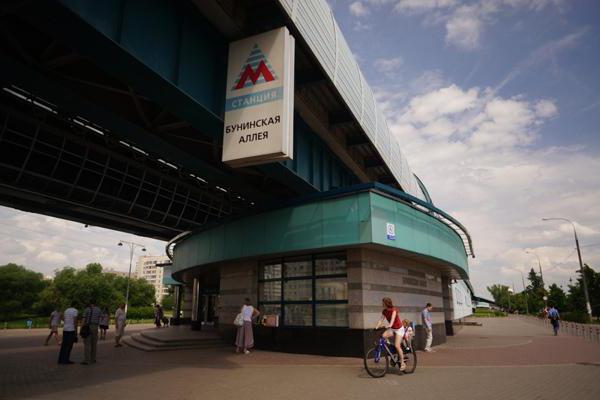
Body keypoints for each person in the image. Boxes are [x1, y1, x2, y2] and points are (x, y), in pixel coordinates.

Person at [375, 297, 406, 371]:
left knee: (397, 345)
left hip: (399, 329)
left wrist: (389, 325)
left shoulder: (394, 310)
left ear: (386, 303)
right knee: (383, 336)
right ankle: (392, 352)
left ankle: (402, 363)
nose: (382, 304)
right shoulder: (384, 311)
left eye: (383, 303)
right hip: (392, 329)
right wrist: (376, 327)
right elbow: (381, 320)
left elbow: (392, 320)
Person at [81, 300, 101, 365]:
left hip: (88, 327)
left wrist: (81, 328)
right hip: (95, 327)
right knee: (94, 344)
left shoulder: (87, 309)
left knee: (87, 344)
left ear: (90, 303)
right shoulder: (98, 310)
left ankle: (87, 360)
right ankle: (93, 359)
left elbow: (84, 319)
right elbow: (100, 318)